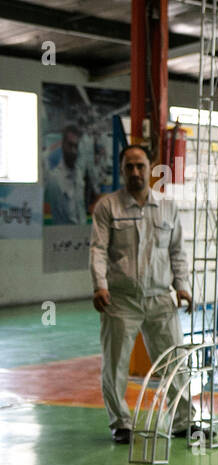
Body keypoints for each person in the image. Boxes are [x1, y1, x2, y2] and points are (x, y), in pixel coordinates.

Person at [90, 144, 193, 444]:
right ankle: (121, 423)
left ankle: (184, 422)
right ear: (121, 171)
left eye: (140, 166)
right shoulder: (108, 207)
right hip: (121, 298)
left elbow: (177, 252)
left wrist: (182, 286)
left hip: (161, 297)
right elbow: (97, 250)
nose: (135, 172)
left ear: (151, 168)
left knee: (176, 359)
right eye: (129, 167)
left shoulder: (167, 207)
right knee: (115, 362)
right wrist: (100, 285)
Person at [45, 124, 96, 225]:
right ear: (63, 144)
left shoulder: (81, 177)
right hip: (61, 236)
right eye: (70, 145)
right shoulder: (54, 179)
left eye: (76, 146)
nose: (73, 151)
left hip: (81, 235)